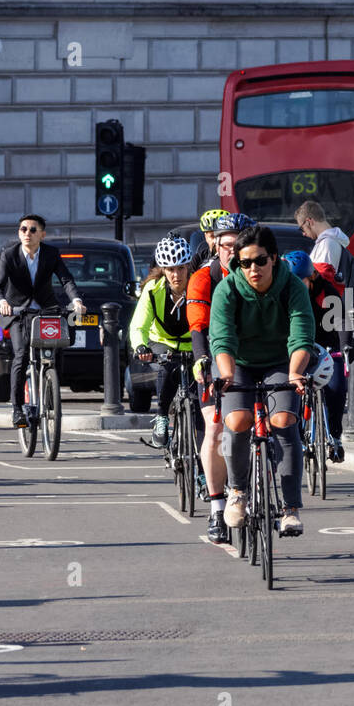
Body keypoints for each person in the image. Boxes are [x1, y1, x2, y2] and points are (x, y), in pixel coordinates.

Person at [210, 224, 314, 536]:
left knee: (283, 419)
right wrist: (226, 373)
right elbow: (222, 338)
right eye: (245, 263)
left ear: (274, 258)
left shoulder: (292, 286)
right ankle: (238, 491)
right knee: (239, 420)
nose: (253, 269)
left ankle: (290, 508)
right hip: (237, 363)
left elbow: (301, 335)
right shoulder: (227, 291)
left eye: (260, 261)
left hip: (281, 361)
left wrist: (296, 372)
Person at [187, 212, 253, 544]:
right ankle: (216, 508)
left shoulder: (264, 271)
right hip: (217, 355)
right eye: (224, 245)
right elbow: (198, 324)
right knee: (214, 430)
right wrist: (202, 358)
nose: (231, 251)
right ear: (216, 245)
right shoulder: (205, 276)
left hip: (259, 355)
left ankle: (265, 497)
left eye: (237, 245)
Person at [0, 214, 86, 428]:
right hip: (17, 313)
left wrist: (76, 300)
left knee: (56, 349)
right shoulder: (9, 255)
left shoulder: (51, 254)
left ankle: (50, 392)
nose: (27, 233)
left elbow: (66, 279)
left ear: (42, 234)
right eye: (23, 229)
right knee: (21, 354)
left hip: (45, 310)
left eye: (33, 230)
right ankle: (16, 409)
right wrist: (3, 302)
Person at [281, 249, 347, 463]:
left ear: (311, 277)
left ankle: (335, 436)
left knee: (337, 387)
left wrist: (346, 347)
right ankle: (298, 434)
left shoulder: (326, 292)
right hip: (296, 346)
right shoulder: (282, 292)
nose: (297, 285)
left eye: (301, 280)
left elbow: (342, 321)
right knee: (293, 388)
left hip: (327, 345)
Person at [130, 234, 194, 447]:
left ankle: (202, 471)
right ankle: (162, 417)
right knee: (168, 367)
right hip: (163, 342)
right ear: (163, 270)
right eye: (170, 269)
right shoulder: (152, 289)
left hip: (194, 342)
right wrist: (141, 345)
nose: (176, 275)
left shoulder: (198, 285)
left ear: (188, 267)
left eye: (181, 268)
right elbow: (139, 324)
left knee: (200, 403)